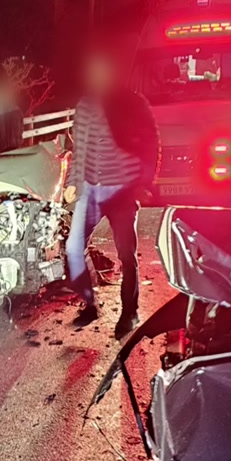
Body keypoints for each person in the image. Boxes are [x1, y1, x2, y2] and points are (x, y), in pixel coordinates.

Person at [63, 44, 160, 338]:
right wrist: (72, 184)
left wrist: (144, 182)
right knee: (72, 248)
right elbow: (78, 150)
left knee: (126, 254)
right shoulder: (84, 105)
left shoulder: (133, 103)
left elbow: (151, 143)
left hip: (121, 190)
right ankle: (89, 304)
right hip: (90, 189)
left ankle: (130, 312)